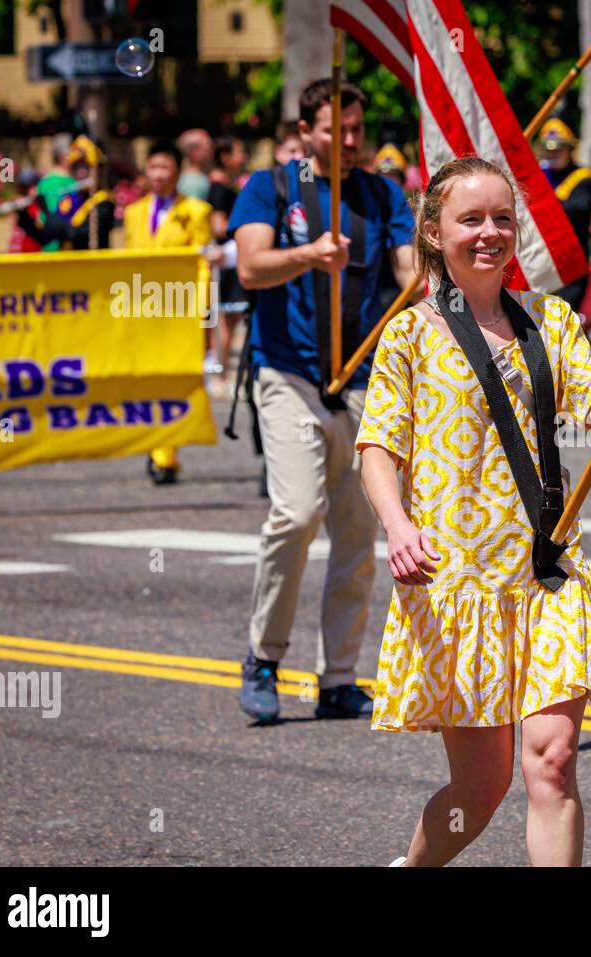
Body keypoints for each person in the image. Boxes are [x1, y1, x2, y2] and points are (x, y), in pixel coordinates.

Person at [357, 155, 591, 867]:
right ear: (433, 232)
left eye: (502, 218)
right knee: (481, 787)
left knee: (551, 762)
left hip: (547, 573)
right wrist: (398, 526)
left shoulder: (550, 317)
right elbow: (377, 446)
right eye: (471, 219)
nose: (490, 232)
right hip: (457, 585)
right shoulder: (408, 335)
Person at [229, 78, 416, 724]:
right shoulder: (272, 188)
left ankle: (339, 677)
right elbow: (251, 268)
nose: (351, 142)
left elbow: (407, 272)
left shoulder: (381, 192)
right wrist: (310, 253)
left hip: (362, 378)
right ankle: (263, 655)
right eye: (337, 130)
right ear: (306, 131)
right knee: (298, 510)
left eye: (359, 130)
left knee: (361, 530)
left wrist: (427, 273)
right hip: (288, 373)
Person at [123, 138, 215, 485]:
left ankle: (165, 453)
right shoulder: (133, 213)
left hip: (179, 307)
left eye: (165, 168)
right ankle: (156, 445)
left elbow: (202, 265)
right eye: (153, 168)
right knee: (148, 379)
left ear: (177, 172)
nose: (158, 175)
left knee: (175, 380)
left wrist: (202, 311)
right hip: (143, 307)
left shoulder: (196, 212)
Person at [538, 118, 591, 313]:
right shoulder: (539, 176)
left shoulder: (584, 178)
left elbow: (575, 210)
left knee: (563, 315)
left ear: (569, 150)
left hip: (570, 264)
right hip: (541, 260)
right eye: (548, 149)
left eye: (558, 149)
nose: (552, 153)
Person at [207, 136, 250, 395]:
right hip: (226, 259)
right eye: (238, 150)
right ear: (225, 156)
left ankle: (222, 369)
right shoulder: (219, 187)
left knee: (231, 318)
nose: (243, 156)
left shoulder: (226, 184)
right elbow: (218, 225)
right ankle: (219, 370)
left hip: (232, 257)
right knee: (224, 318)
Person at [176, 128, 213, 201]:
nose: (210, 151)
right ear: (194, 151)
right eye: (207, 148)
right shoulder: (194, 181)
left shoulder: (183, 175)